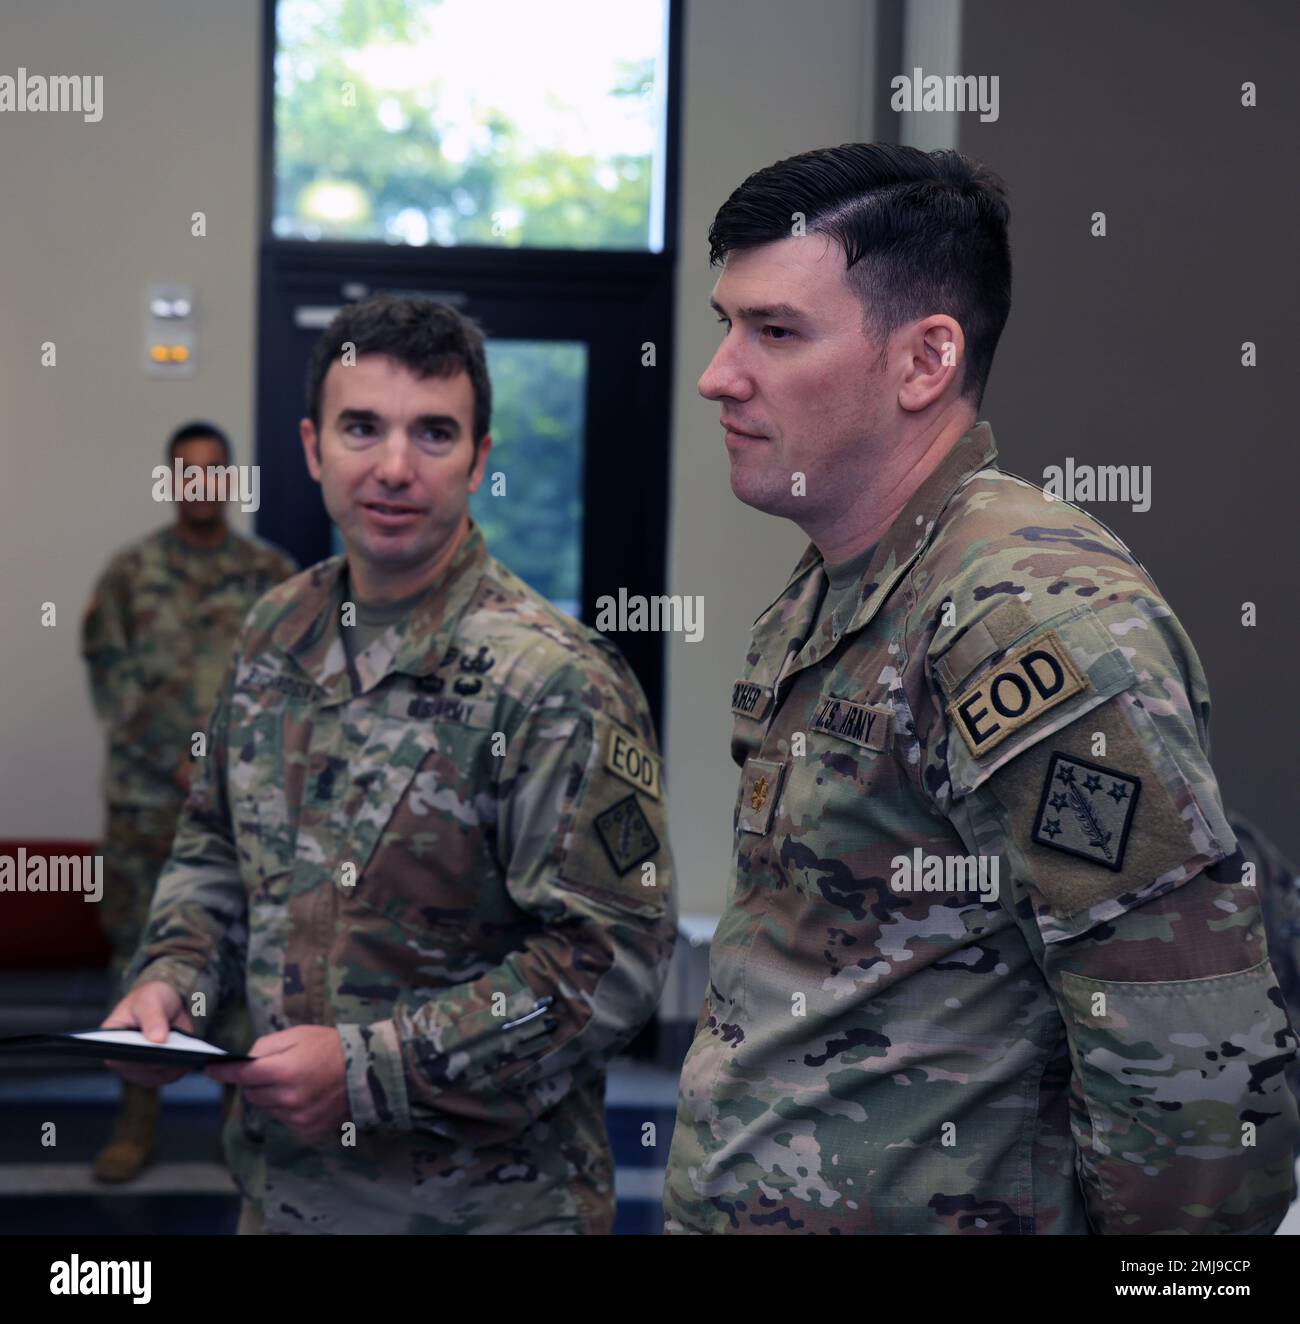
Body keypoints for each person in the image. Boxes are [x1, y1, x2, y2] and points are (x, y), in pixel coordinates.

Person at [663, 143, 1299, 1234]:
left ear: (924, 362)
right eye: (727, 325)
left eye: (774, 332)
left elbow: (1192, 1066)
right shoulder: (842, 588)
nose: (720, 373)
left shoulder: (1021, 614)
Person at [102, 294, 677, 1234]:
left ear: (481, 459)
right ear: (311, 447)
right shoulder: (272, 633)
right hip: (281, 1196)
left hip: (484, 1211)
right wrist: (173, 983)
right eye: (361, 428)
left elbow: (609, 967)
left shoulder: (552, 681)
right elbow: (213, 847)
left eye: (435, 433)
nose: (395, 468)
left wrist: (372, 1070)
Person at [81, 420, 296, 1182]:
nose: (201, 485)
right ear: (171, 480)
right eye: (188, 472)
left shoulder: (271, 576)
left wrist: (223, 764)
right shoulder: (130, 575)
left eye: (214, 472)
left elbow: (290, 690)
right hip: (148, 804)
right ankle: (135, 1124)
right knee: (140, 958)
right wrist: (177, 758)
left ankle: (237, 1128)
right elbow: (112, 679)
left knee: (243, 959)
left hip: (244, 807)